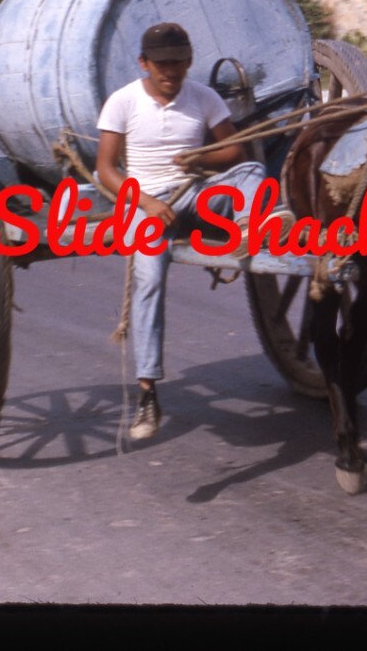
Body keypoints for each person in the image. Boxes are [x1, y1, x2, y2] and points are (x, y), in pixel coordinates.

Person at [96, 22, 267, 441]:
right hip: (147, 205)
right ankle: (148, 392)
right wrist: (147, 203)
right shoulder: (123, 102)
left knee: (254, 171)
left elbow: (234, 152)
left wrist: (203, 161)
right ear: (144, 63)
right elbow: (106, 169)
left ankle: (249, 224)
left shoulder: (203, 97)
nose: (170, 72)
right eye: (161, 64)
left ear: (189, 63)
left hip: (195, 194)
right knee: (149, 280)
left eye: (178, 64)